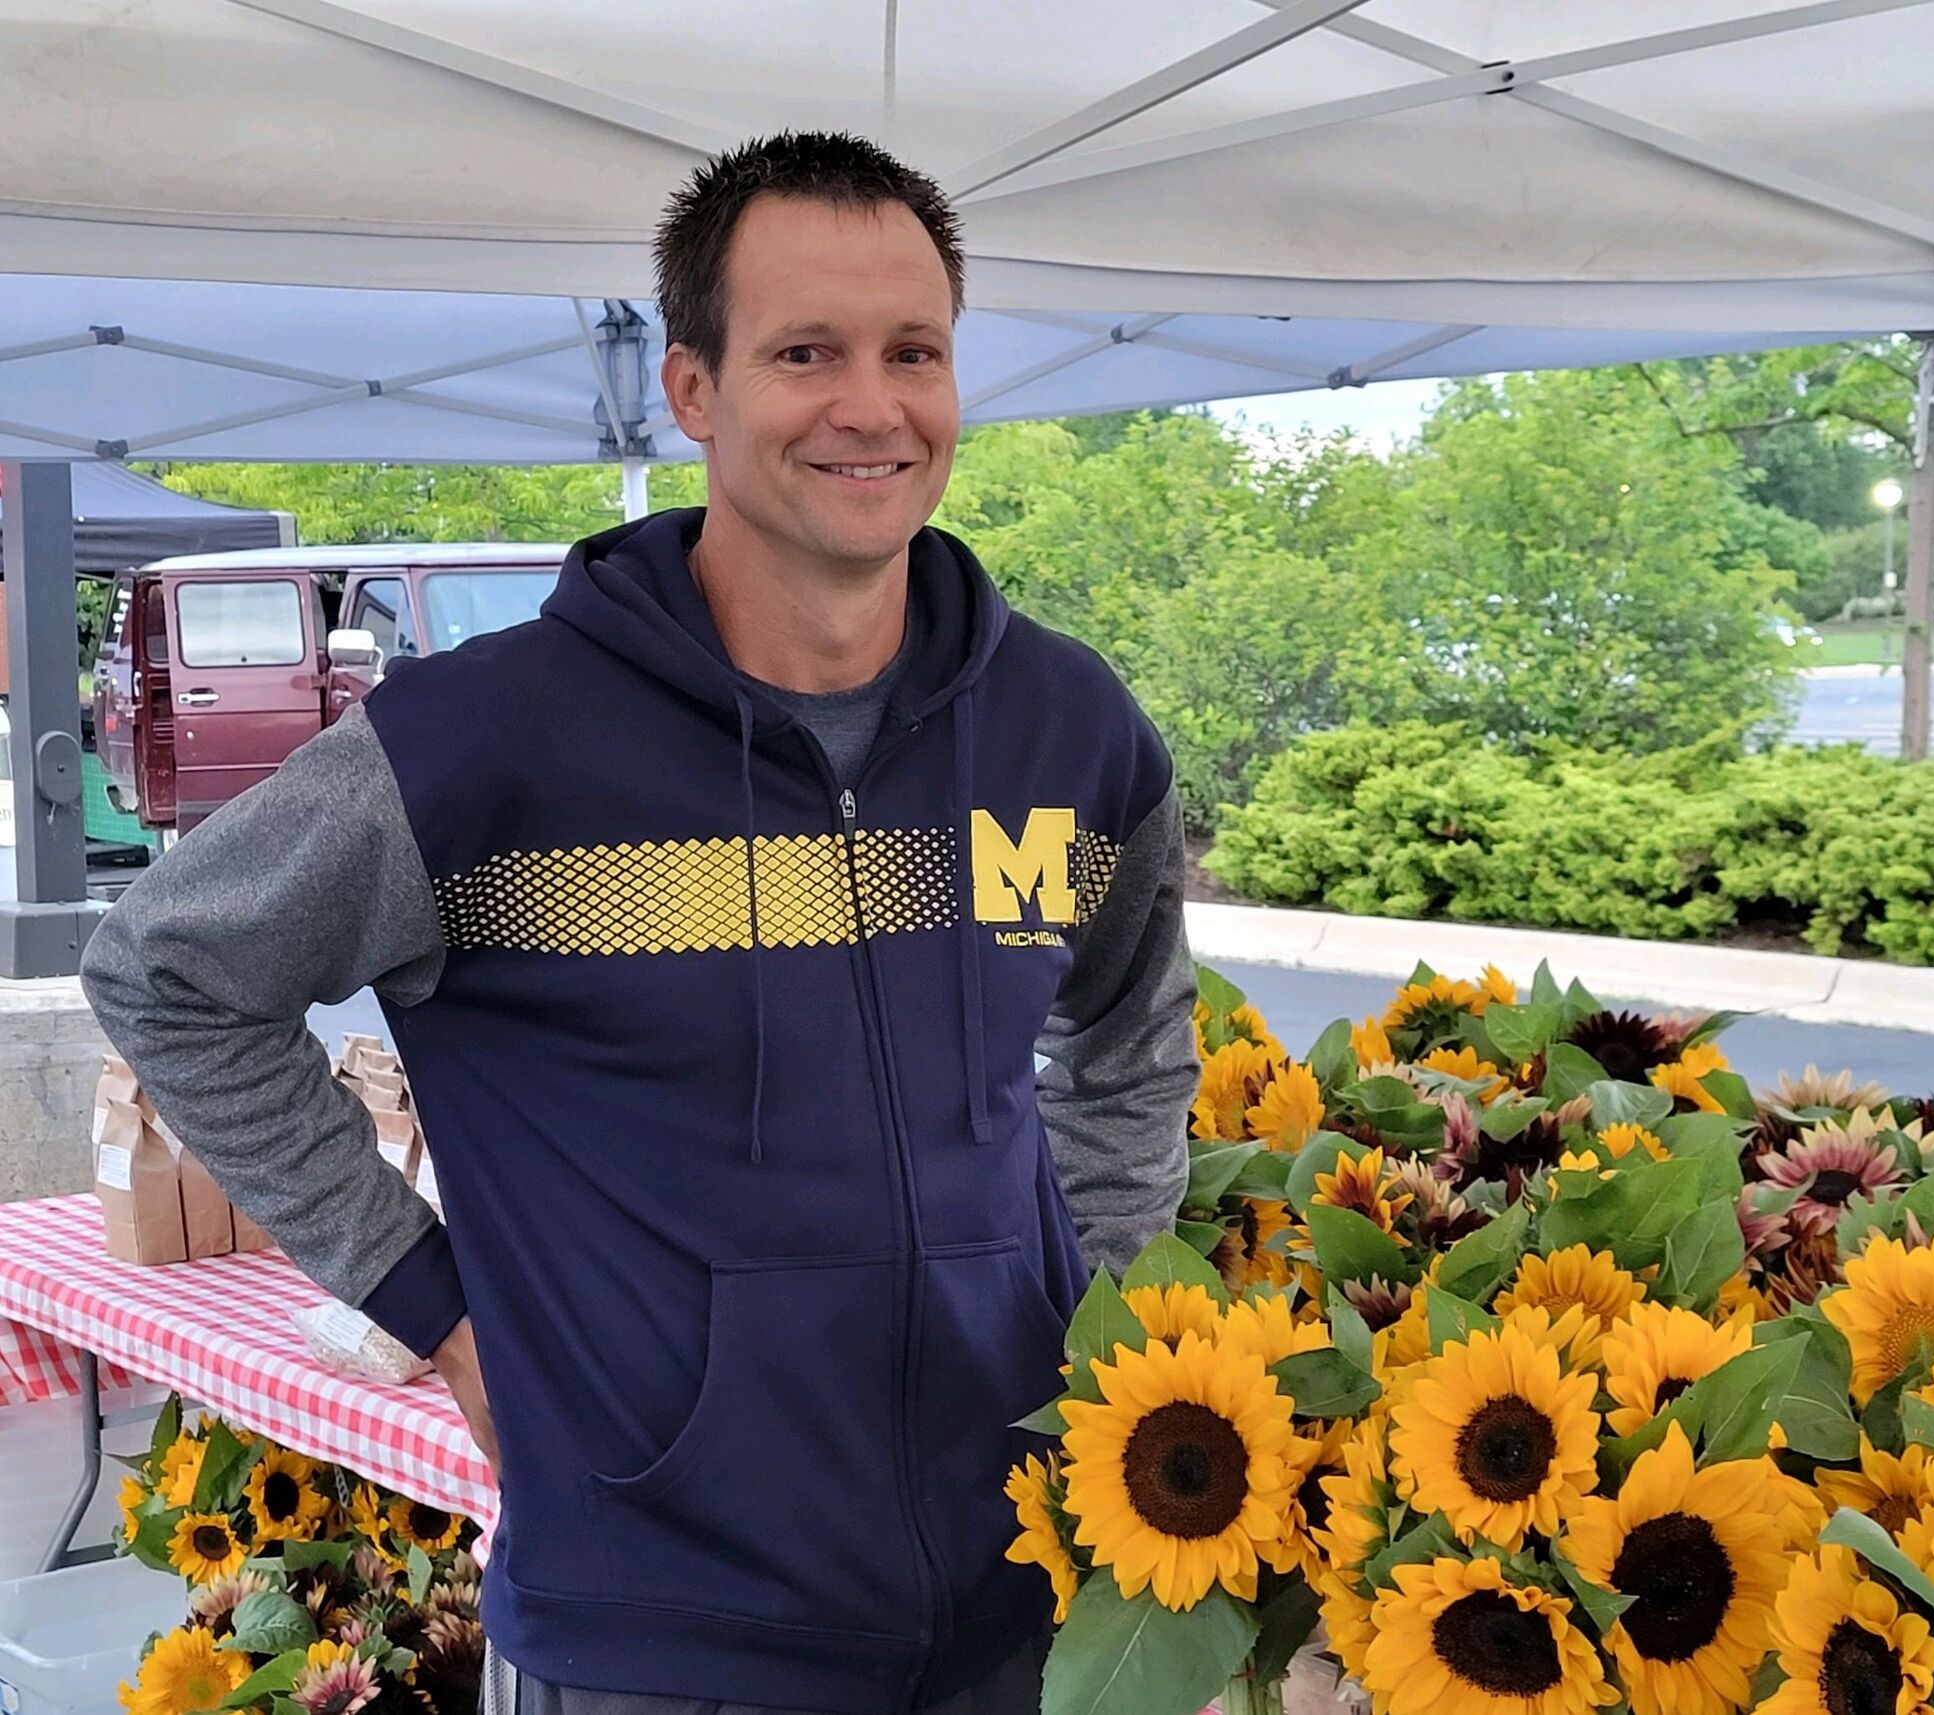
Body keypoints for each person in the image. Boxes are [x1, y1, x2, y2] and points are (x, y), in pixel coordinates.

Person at [79, 130, 1200, 1715]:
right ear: (694, 389)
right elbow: (168, 970)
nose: (872, 405)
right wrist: (433, 1309)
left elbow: (1129, 1034)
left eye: (915, 352)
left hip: (1027, 1598)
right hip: (661, 1635)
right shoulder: (483, 745)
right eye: (805, 351)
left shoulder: (1068, 729)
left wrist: (1107, 1326)